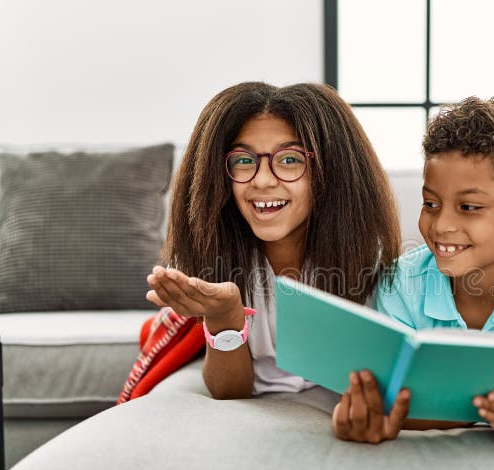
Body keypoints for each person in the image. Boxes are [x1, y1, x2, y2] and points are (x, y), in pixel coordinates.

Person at [332, 97, 494, 447]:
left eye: (469, 207)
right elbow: (393, 403)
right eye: (431, 204)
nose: (441, 225)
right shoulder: (399, 282)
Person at [145, 82, 401, 400]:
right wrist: (224, 317)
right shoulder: (217, 251)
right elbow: (230, 391)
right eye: (243, 160)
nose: (263, 180)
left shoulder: (371, 260)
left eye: (290, 160)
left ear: (331, 172)